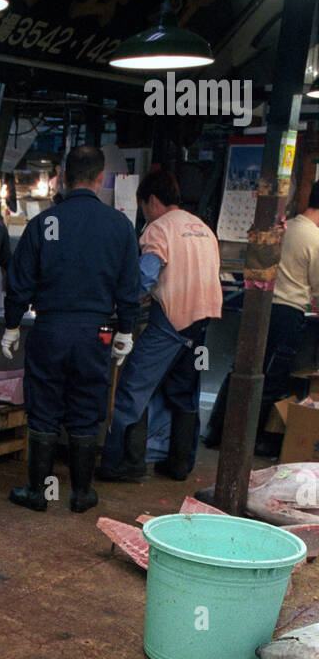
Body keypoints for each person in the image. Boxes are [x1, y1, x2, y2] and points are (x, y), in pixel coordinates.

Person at [3, 145, 140, 513]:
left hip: (49, 328)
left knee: (44, 405)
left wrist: (12, 324)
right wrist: (125, 329)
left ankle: (38, 492)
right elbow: (130, 286)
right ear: (100, 179)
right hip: (96, 332)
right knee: (86, 406)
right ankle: (81, 494)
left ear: (62, 176)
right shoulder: (119, 225)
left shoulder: (44, 223)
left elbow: (19, 282)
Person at [98, 170, 222, 483]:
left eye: (143, 207)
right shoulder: (203, 229)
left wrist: (123, 300)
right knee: (183, 393)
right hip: (201, 324)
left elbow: (146, 277)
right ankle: (180, 464)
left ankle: (126, 464)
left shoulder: (158, 229)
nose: (144, 214)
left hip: (170, 321)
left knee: (132, 389)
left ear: (152, 201)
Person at [205, 181, 319, 457]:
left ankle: (219, 432)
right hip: (287, 313)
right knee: (274, 377)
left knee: (244, 369)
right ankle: (254, 441)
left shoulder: (285, 227)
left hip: (259, 307)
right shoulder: (314, 239)